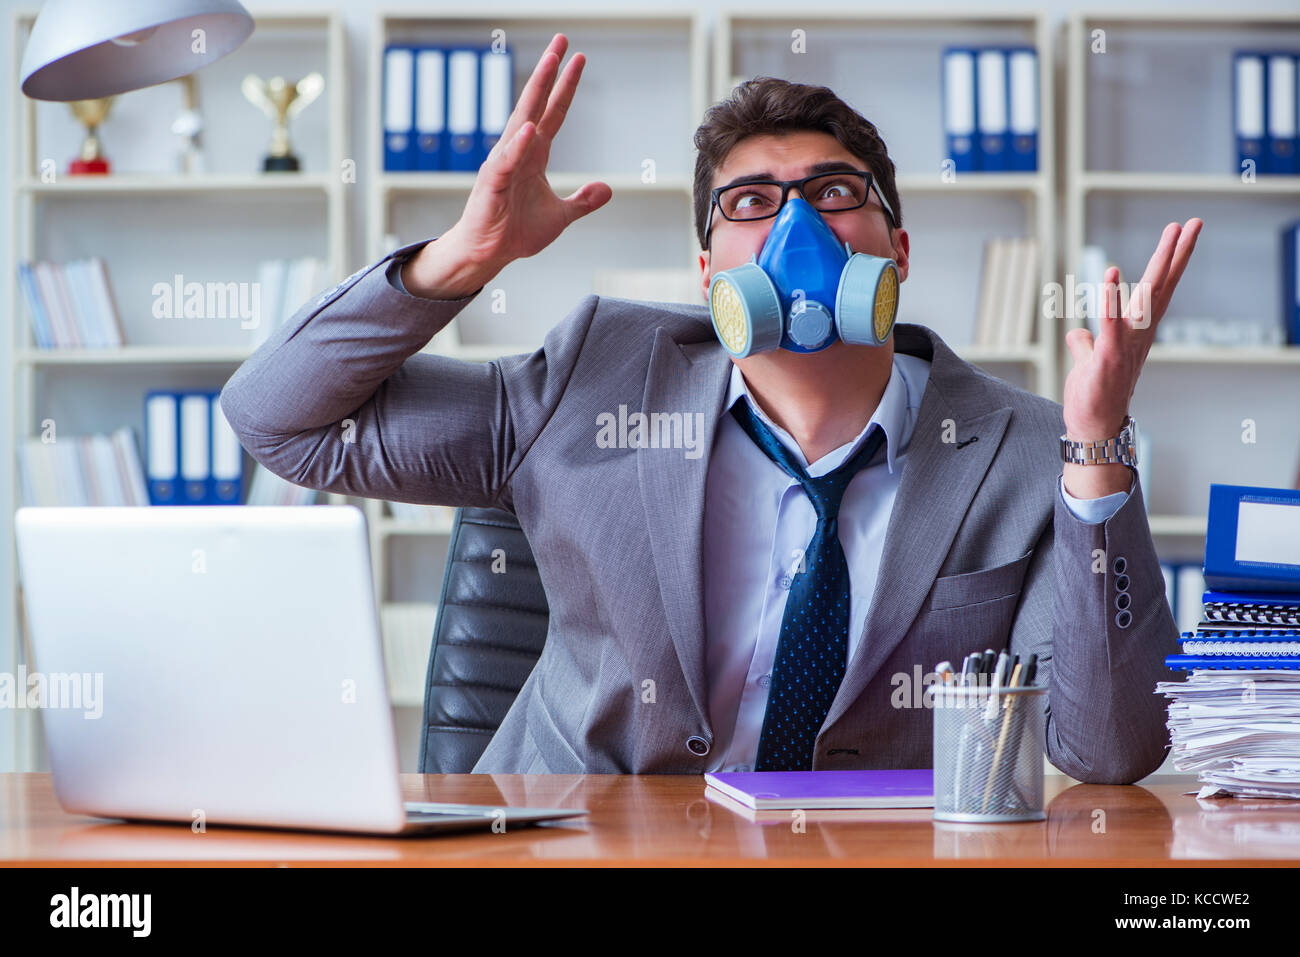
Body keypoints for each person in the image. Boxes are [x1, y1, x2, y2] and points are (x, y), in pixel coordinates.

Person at [220, 34, 1202, 782]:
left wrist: (1098, 450)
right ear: (706, 272)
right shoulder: (594, 379)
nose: (797, 225)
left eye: (832, 192)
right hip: (571, 846)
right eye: (750, 203)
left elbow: (1108, 750)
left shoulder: (1027, 448)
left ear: (896, 254)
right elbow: (280, 422)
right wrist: (460, 261)